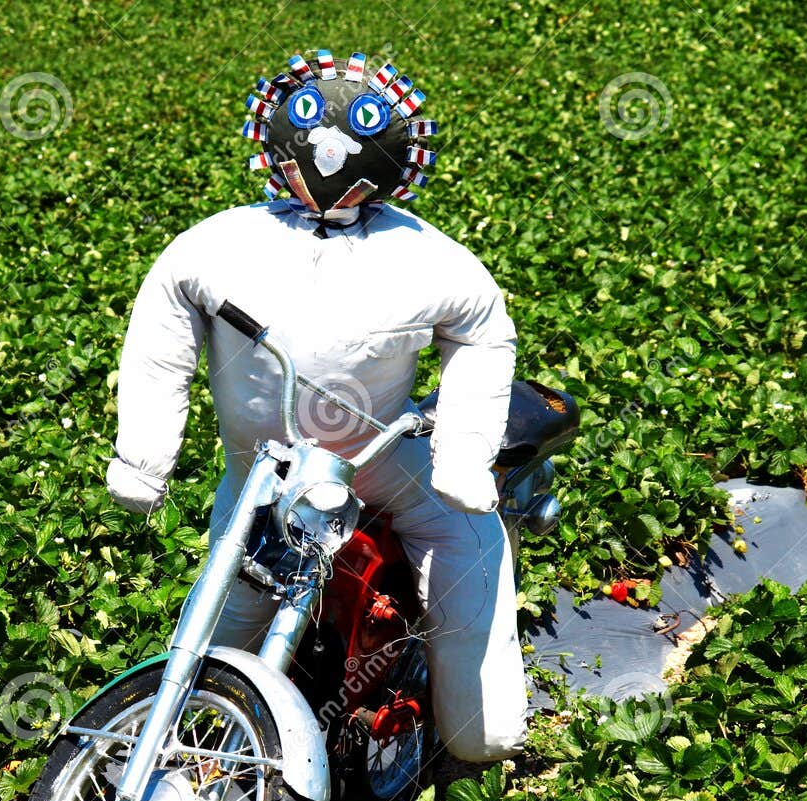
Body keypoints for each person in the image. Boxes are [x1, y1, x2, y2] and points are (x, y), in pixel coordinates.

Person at [104, 50, 526, 764]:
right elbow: (160, 332)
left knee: (466, 561)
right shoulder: (218, 247)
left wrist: (461, 455)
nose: (330, 150)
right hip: (264, 476)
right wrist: (144, 458)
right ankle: (191, 741)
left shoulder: (428, 258)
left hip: (389, 461)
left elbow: (485, 332)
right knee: (230, 610)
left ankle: (476, 739)